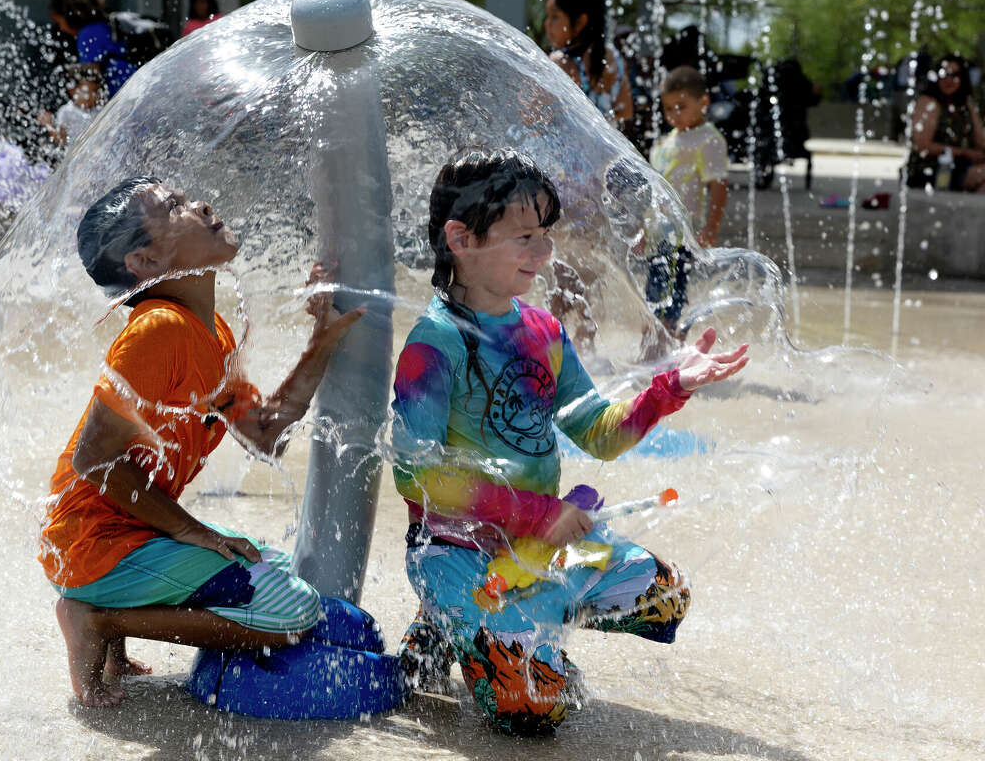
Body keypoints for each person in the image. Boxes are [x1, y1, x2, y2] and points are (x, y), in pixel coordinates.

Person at [390, 150, 748, 735]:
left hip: (538, 548)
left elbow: (600, 434)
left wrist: (671, 386)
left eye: (546, 234)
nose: (544, 251)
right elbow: (417, 474)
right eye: (525, 236)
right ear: (461, 237)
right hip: (456, 549)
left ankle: (509, 630)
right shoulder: (434, 345)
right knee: (533, 708)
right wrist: (537, 511)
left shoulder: (543, 332)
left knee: (663, 595)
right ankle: (461, 625)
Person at [40, 177, 364, 707]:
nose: (202, 205)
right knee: (290, 613)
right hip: (90, 542)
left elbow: (265, 433)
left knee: (278, 569)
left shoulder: (208, 329)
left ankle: (111, 627)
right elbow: (93, 459)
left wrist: (321, 341)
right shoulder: (159, 331)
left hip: (124, 530)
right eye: (175, 207)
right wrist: (194, 532)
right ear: (143, 262)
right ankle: (95, 618)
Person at [649, 65, 729, 249]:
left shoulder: (708, 139)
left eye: (681, 107)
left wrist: (711, 228)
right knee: (659, 277)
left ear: (704, 102)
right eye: (668, 108)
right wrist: (644, 228)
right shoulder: (666, 141)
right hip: (658, 227)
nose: (673, 114)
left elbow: (719, 186)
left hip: (684, 228)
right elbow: (655, 189)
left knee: (667, 277)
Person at [544, 0, 634, 125]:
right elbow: (626, 111)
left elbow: (533, 118)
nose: (547, 23)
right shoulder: (614, 58)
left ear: (580, 22)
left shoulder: (560, 62)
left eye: (555, 17)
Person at [906, 53, 985, 193]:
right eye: (944, 74)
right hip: (931, 170)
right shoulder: (929, 103)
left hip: (961, 167)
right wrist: (964, 153)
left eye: (954, 75)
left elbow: (981, 140)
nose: (949, 79)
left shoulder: (965, 104)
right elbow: (922, 145)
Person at [49, 0, 137, 100]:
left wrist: (59, 114)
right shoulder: (105, 27)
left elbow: (89, 94)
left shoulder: (87, 36)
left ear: (70, 15)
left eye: (60, 22)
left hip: (127, 102)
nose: (61, 28)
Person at [36, 64, 103, 147]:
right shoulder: (67, 111)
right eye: (88, 92)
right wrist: (49, 125)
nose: (94, 96)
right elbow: (61, 139)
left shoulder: (98, 109)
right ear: (72, 91)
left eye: (95, 91)